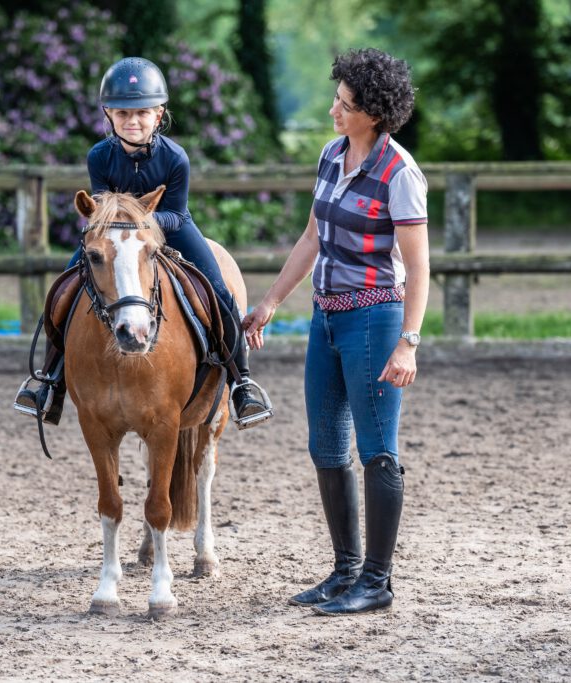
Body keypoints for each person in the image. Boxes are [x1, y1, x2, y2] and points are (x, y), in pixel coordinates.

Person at [243, 48, 429, 615]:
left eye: (344, 105)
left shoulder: (400, 173)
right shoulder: (331, 155)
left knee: (376, 450)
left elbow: (418, 267)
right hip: (325, 317)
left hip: (374, 319)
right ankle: (345, 570)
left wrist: (409, 342)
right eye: (336, 99)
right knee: (325, 445)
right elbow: (312, 238)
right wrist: (271, 302)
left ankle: (377, 581)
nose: (333, 111)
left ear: (373, 113)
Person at [15, 57, 272, 429]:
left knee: (219, 291)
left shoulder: (176, 158)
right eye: (122, 113)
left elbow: (176, 213)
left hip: (171, 226)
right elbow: (102, 208)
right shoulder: (99, 156)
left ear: (159, 114)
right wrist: (123, 227)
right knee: (64, 292)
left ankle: (241, 383)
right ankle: (49, 382)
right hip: (115, 235)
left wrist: (143, 224)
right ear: (108, 114)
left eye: (142, 113)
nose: (132, 121)